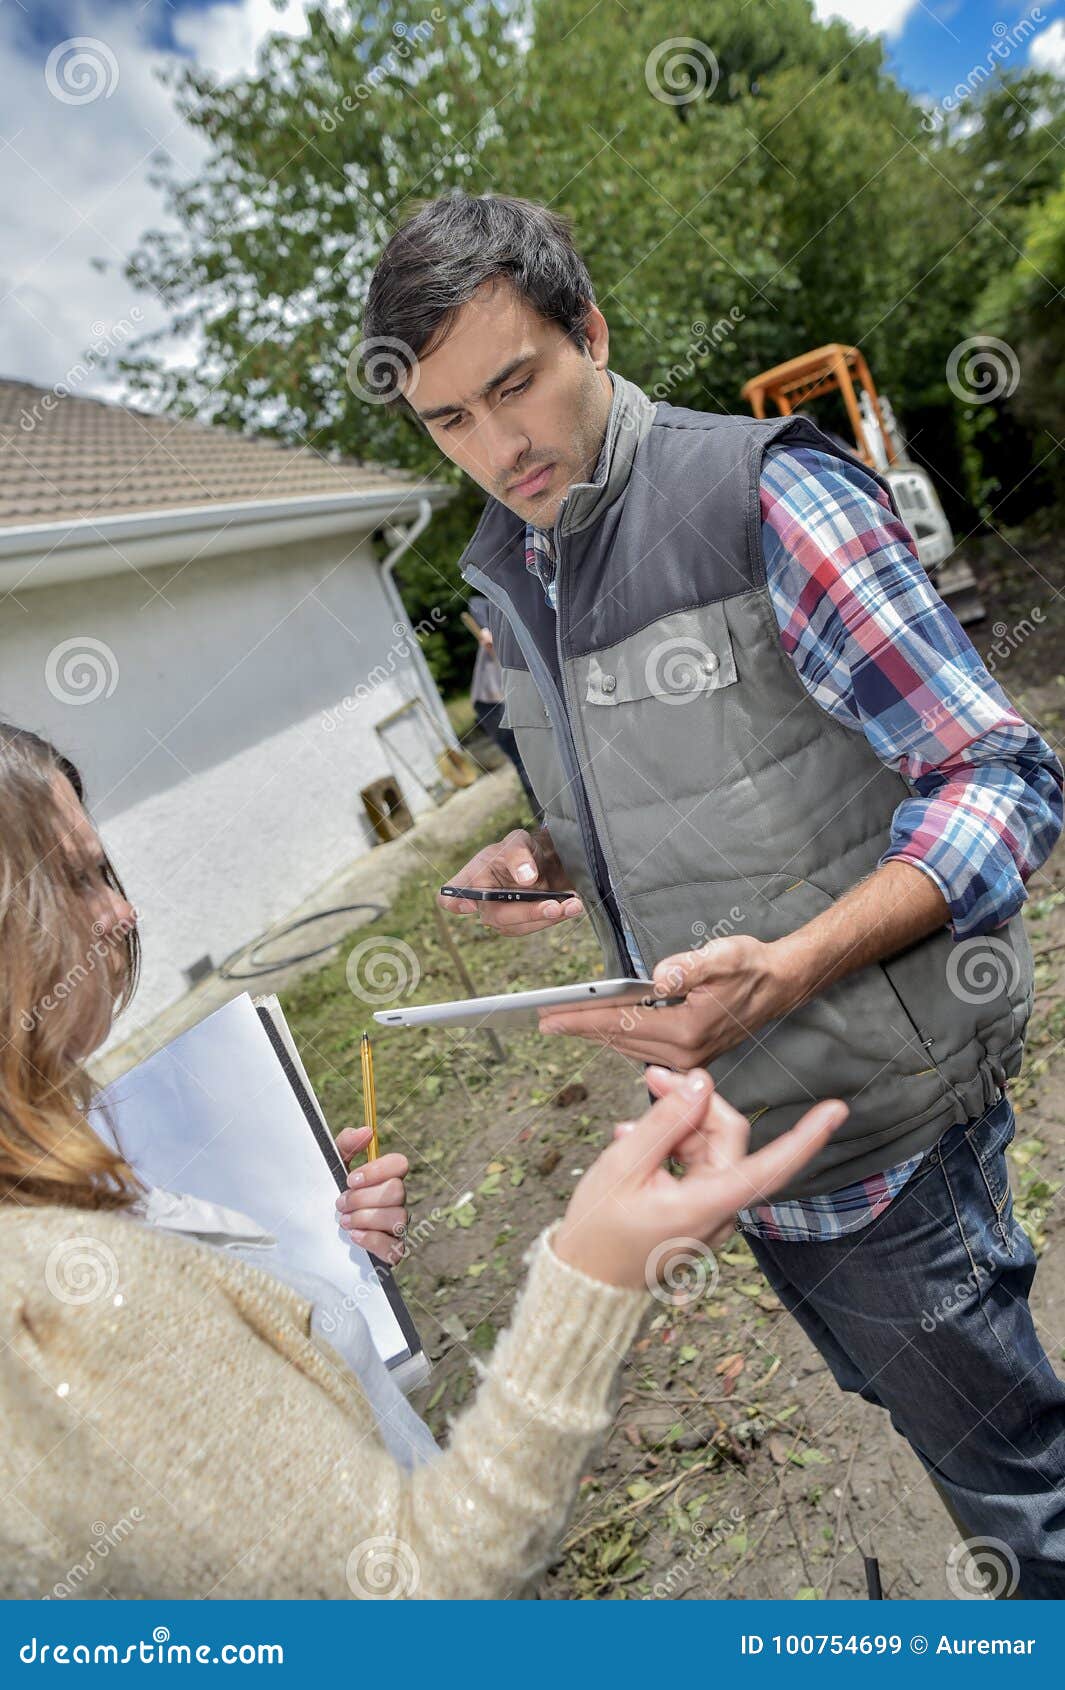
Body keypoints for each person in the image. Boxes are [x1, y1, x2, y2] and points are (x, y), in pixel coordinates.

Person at [361, 192, 1065, 1597]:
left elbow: (1004, 777)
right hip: (743, 1144)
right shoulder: (514, 572)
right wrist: (548, 855)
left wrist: (797, 965)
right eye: (449, 421)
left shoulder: (763, 495)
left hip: (879, 1125)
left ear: (591, 330)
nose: (498, 447)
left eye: (516, 383)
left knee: (1018, 1497)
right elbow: (654, 782)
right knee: (935, 1424)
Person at [0, 721, 844, 1599]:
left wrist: (300, 1267)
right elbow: (410, 1593)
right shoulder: (53, 1305)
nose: (122, 911)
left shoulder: (60, 1176)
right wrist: (593, 1275)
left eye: (105, 872)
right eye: (74, 879)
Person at [467, 590, 539, 816]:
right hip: (490, 703)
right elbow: (476, 602)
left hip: (504, 698)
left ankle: (547, 814)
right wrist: (485, 629)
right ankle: (543, 819)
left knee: (534, 756)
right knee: (524, 759)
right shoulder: (502, 614)